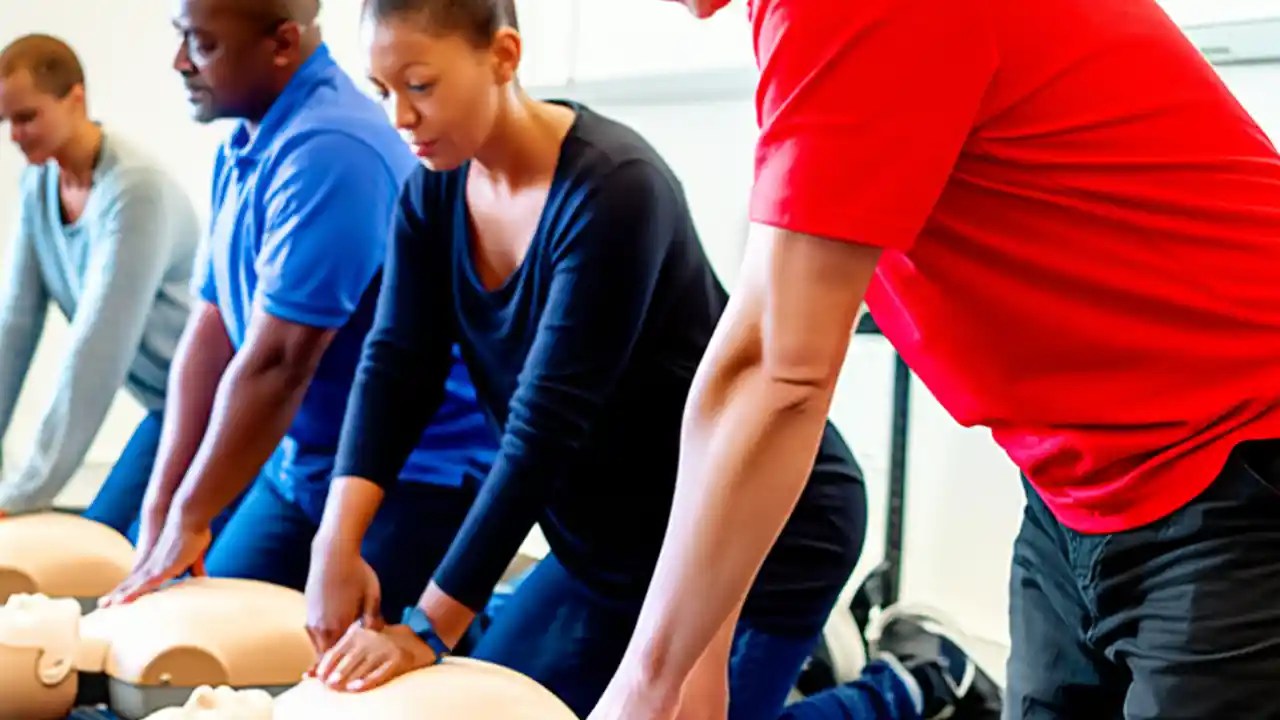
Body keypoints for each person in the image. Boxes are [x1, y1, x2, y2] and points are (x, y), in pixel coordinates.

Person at [592, 0, 1280, 718]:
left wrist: (650, 683)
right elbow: (773, 307)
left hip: (1241, 454)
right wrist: (696, 649)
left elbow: (776, 366)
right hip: (1078, 480)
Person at [299, 2, 867, 718]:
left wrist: (425, 628)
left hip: (754, 542)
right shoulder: (432, 192)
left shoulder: (617, 189)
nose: (400, 118)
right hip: (605, 549)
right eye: (383, 92)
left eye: (420, 85)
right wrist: (335, 544)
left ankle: (906, 687)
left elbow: (543, 432)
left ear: (504, 57)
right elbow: (394, 367)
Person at [99, 0, 499, 632]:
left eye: (202, 45)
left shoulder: (332, 147)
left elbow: (277, 364)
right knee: (198, 633)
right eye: (182, 39)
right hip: (305, 463)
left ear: (282, 44)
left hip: (413, 472)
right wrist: (164, 505)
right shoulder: (246, 143)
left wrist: (191, 517)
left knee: (344, 665)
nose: (180, 63)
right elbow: (212, 332)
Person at [0, 34, 199, 537]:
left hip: (216, 412)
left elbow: (96, 351)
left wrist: (25, 494)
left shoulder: (135, 191)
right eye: (6, 122)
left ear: (76, 98)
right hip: (166, 409)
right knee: (102, 537)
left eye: (27, 118)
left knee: (131, 564)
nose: (15, 136)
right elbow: (16, 326)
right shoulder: (39, 184)